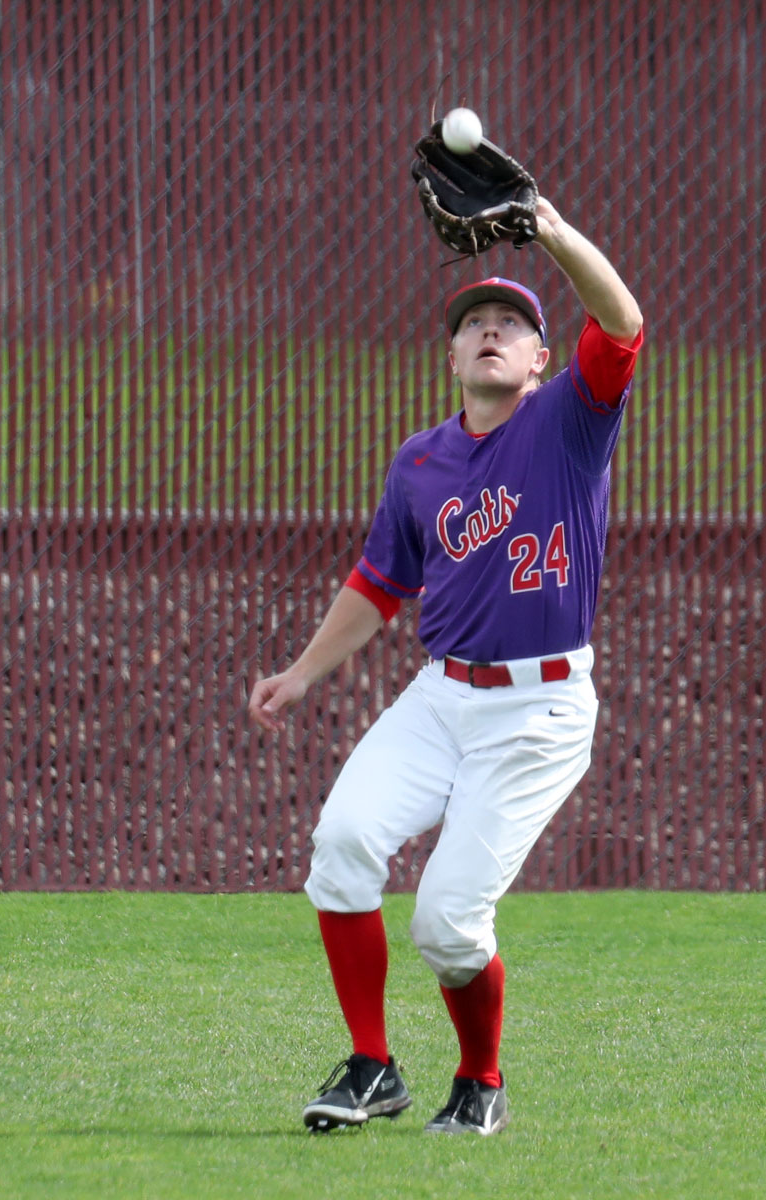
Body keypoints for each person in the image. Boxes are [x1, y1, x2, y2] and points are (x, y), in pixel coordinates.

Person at [248, 194, 643, 1136]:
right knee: (341, 846)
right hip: (441, 695)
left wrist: (542, 224)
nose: (492, 332)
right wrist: (303, 673)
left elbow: (624, 321)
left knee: (445, 924)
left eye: (512, 323)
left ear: (541, 357)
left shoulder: (570, 421)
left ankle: (482, 1082)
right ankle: (373, 1067)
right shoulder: (419, 464)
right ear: (454, 356)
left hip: (540, 708)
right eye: (474, 324)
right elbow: (379, 583)